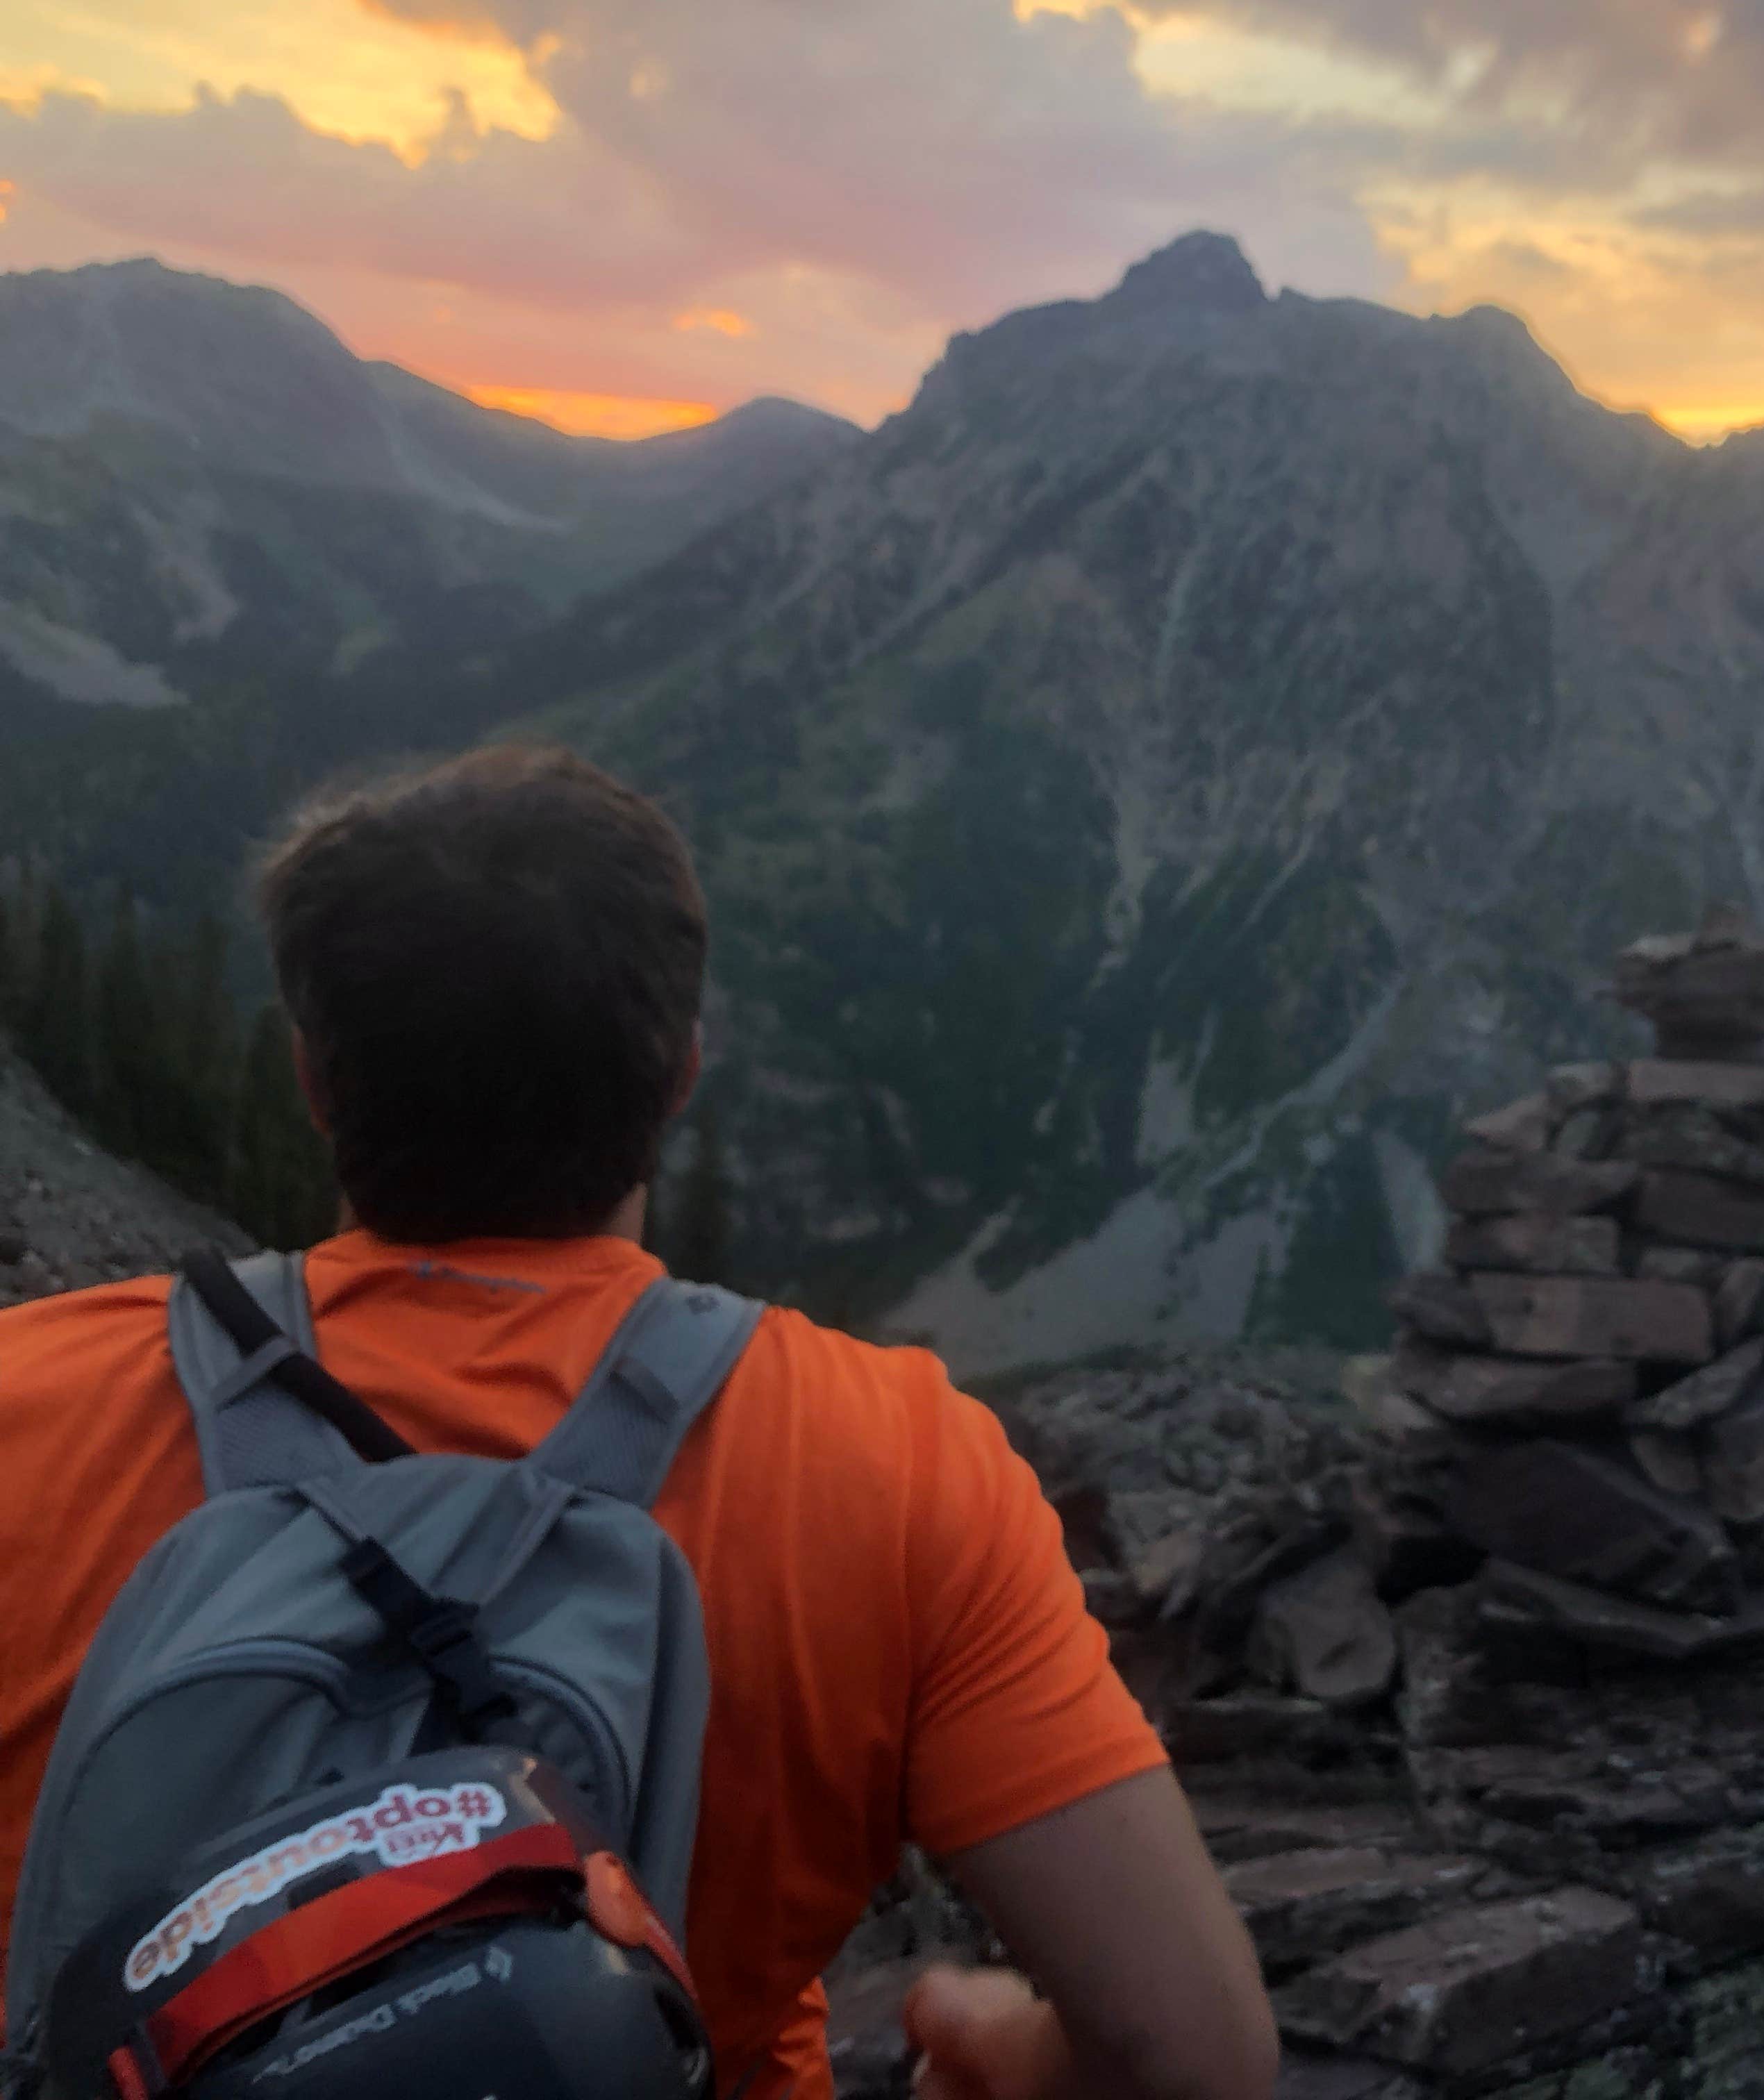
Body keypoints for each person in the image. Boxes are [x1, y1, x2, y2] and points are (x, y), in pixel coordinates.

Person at [0, 747, 1276, 2100]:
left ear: (315, 1082)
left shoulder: (31, 1397)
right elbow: (1191, 2054)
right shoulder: (897, 1469)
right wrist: (990, 2039)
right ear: (680, 1074)